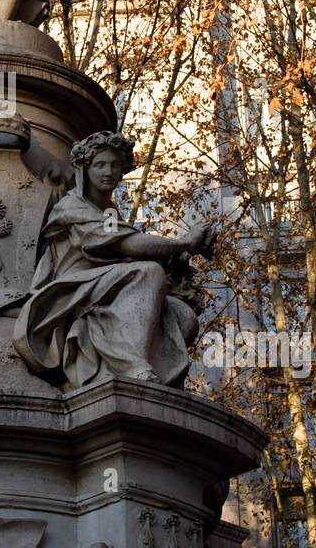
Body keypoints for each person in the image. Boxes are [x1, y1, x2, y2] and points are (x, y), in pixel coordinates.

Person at [13, 130, 214, 387]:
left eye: (114, 165)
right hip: (70, 290)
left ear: (122, 170)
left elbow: (122, 252)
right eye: (99, 165)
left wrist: (179, 257)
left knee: (183, 316)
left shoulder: (110, 211)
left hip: (104, 284)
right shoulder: (72, 206)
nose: (107, 172)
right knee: (150, 272)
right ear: (84, 169)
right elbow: (130, 244)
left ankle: (148, 382)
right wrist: (184, 242)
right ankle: (133, 367)